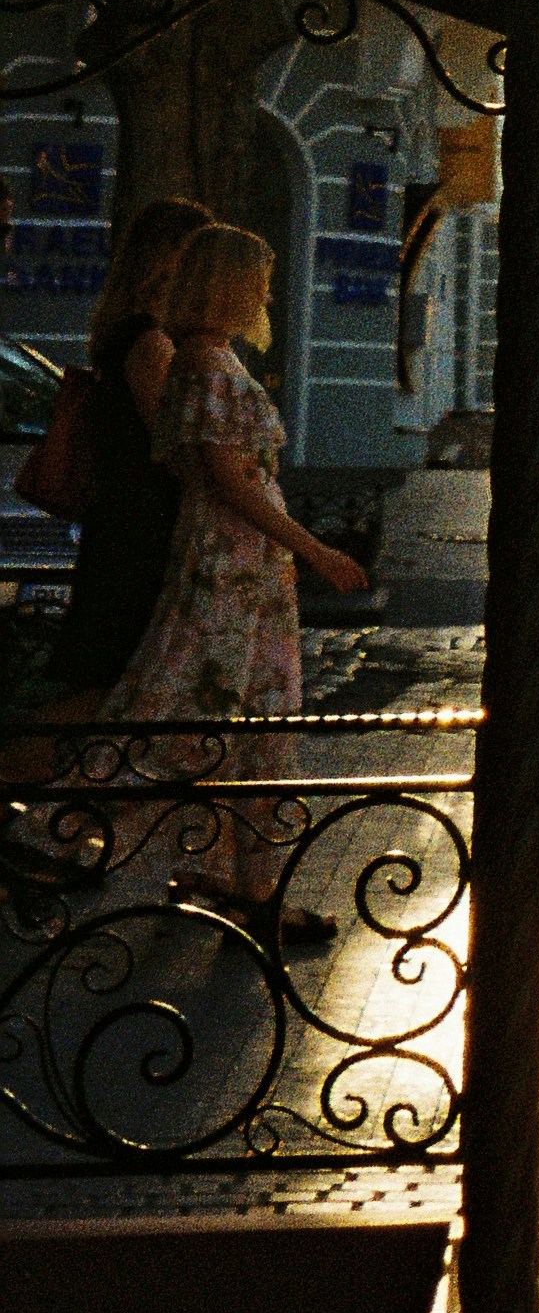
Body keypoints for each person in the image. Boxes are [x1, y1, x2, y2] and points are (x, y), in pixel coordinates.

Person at [104, 225, 368, 926]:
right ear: (229, 283)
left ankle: (217, 871)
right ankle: (70, 830)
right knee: (232, 708)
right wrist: (314, 548)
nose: (268, 293)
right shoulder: (210, 363)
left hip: (232, 554)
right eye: (259, 278)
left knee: (222, 706)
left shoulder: (202, 358)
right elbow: (227, 478)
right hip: (234, 558)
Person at [40, 188, 213, 714]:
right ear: (172, 260)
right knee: (109, 681)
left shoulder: (135, 333)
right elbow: (174, 437)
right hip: (137, 528)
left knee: (117, 681)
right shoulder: (148, 341)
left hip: (128, 519)